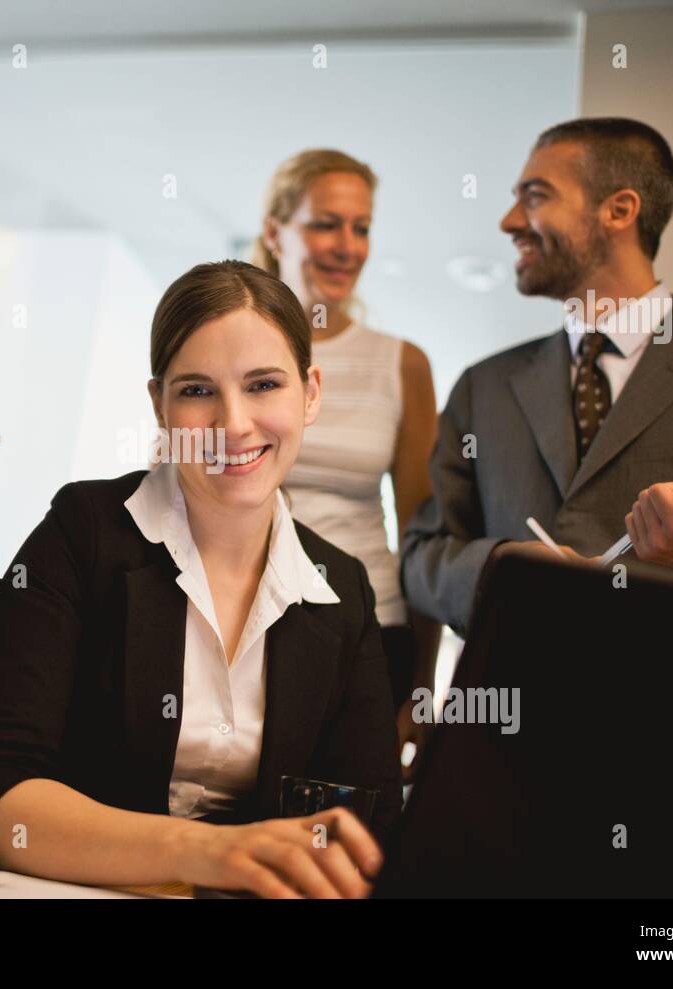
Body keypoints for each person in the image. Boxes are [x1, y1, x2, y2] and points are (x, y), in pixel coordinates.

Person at [0, 261, 399, 898]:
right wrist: (211, 852)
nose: (234, 424)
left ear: (309, 394)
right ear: (158, 405)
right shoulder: (82, 531)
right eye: (196, 391)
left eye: (264, 385)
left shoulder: (342, 589)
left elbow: (369, 821)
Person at [401, 117, 673, 638]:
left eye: (534, 196)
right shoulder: (481, 385)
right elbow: (422, 554)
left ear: (619, 210)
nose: (509, 221)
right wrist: (499, 566)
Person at [255, 149, 440, 781]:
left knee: (346, 834)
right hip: (239, 620)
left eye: (360, 227)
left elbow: (423, 533)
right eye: (324, 224)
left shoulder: (402, 364)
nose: (346, 246)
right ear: (275, 230)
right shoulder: (222, 347)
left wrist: (419, 686)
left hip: (366, 630)